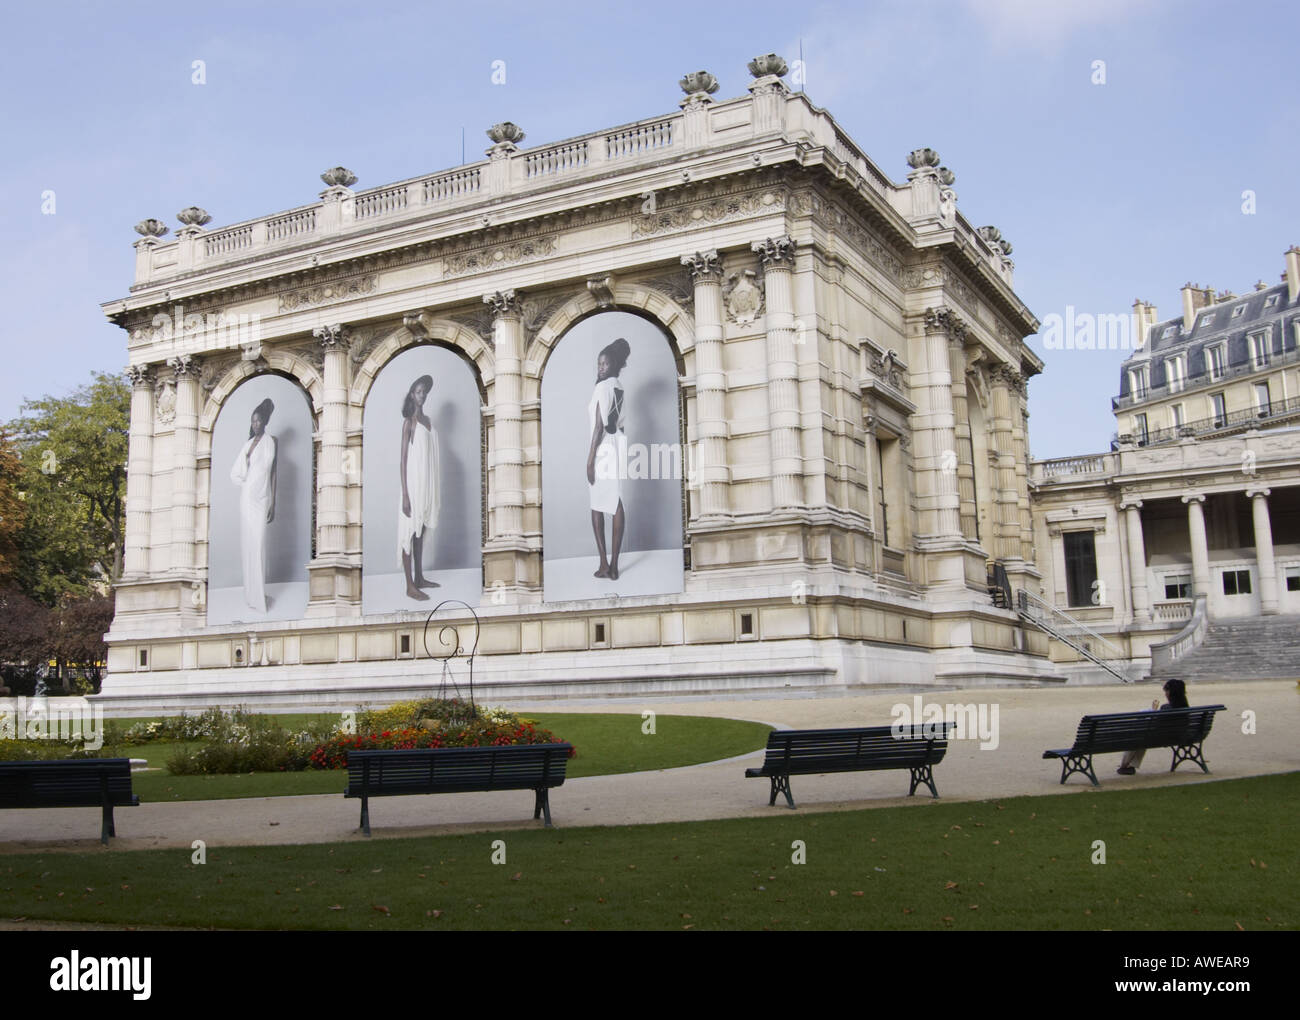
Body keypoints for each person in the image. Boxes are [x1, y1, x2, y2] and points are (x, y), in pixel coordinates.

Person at [587, 338, 630, 580]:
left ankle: (605, 563)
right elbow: (616, 424)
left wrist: (590, 459)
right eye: (599, 364)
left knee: (597, 503)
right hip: (618, 445)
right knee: (615, 500)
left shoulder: (601, 388)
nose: (600, 368)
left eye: (605, 363)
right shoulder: (619, 385)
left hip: (602, 447)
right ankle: (613, 565)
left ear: (614, 364)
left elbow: (599, 426)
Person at [230, 398, 277, 613]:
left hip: (262, 497)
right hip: (247, 497)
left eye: (258, 421)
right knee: (248, 544)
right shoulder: (247, 445)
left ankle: (259, 596)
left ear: (265, 421)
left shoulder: (270, 441)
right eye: (253, 422)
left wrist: (272, 501)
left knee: (258, 545)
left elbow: (272, 472)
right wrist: (246, 482)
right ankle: (251, 595)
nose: (255, 424)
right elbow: (236, 472)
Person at [399, 375, 440, 600]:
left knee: (420, 531)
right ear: (411, 395)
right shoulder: (409, 423)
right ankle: (409, 585)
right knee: (408, 531)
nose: (421, 395)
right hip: (413, 485)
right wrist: (405, 494)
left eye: (424, 392)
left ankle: (420, 577)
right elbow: (403, 459)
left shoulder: (428, 420)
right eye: (418, 391)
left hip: (426, 483)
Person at [1117, 678, 1188, 774]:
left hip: (1161, 738)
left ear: (1171, 692)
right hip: (1181, 736)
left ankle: (1125, 765)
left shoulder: (1166, 708)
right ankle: (1130, 765)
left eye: (1166, 691)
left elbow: (1155, 725)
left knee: (1138, 736)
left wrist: (1152, 713)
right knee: (1143, 737)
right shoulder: (1185, 708)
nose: (1165, 694)